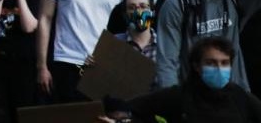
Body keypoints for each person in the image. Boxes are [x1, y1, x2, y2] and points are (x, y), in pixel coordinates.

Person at [101, 37, 261, 123]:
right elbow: (133, 107)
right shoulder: (179, 96)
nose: (219, 68)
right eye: (211, 63)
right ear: (197, 66)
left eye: (224, 63)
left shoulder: (241, 97)